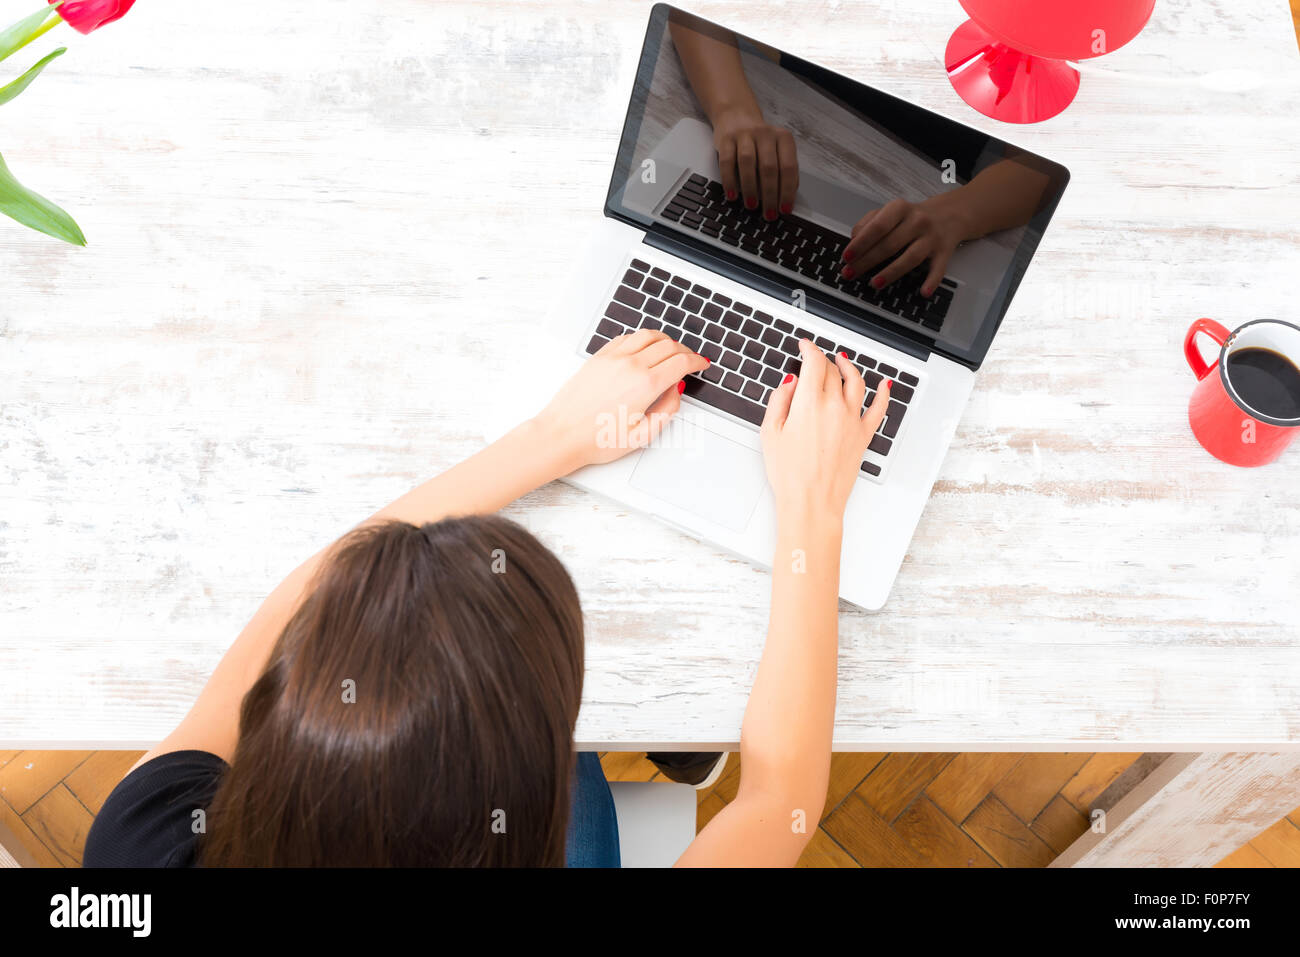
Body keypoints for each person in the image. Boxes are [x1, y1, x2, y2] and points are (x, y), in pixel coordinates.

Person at [83, 329, 890, 867]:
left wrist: (552, 437)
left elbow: (308, 598)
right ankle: (665, 750)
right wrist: (815, 510)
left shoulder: (139, 846)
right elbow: (781, 798)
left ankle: (657, 751)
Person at [668, 16, 1055, 298]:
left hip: (937, 172)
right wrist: (732, 109)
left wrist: (959, 212)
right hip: (799, 102)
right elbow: (693, 12)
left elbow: (1045, 165)